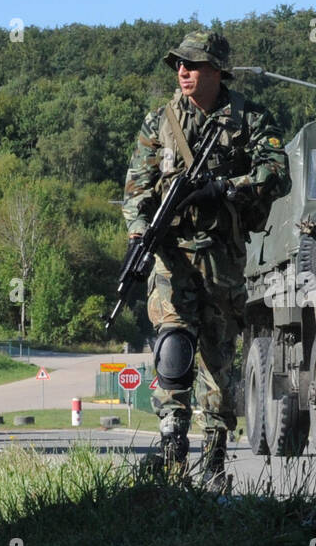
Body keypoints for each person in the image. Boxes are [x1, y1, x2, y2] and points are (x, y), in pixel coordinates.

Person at [122, 30, 290, 485]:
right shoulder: (159, 121)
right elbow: (137, 186)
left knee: (217, 358)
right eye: (179, 64)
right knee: (173, 344)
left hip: (221, 258)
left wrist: (225, 188)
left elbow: (278, 173)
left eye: (193, 65)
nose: (183, 71)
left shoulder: (251, 118)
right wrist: (139, 234)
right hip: (172, 255)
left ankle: (214, 457)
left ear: (217, 71)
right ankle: (173, 442)